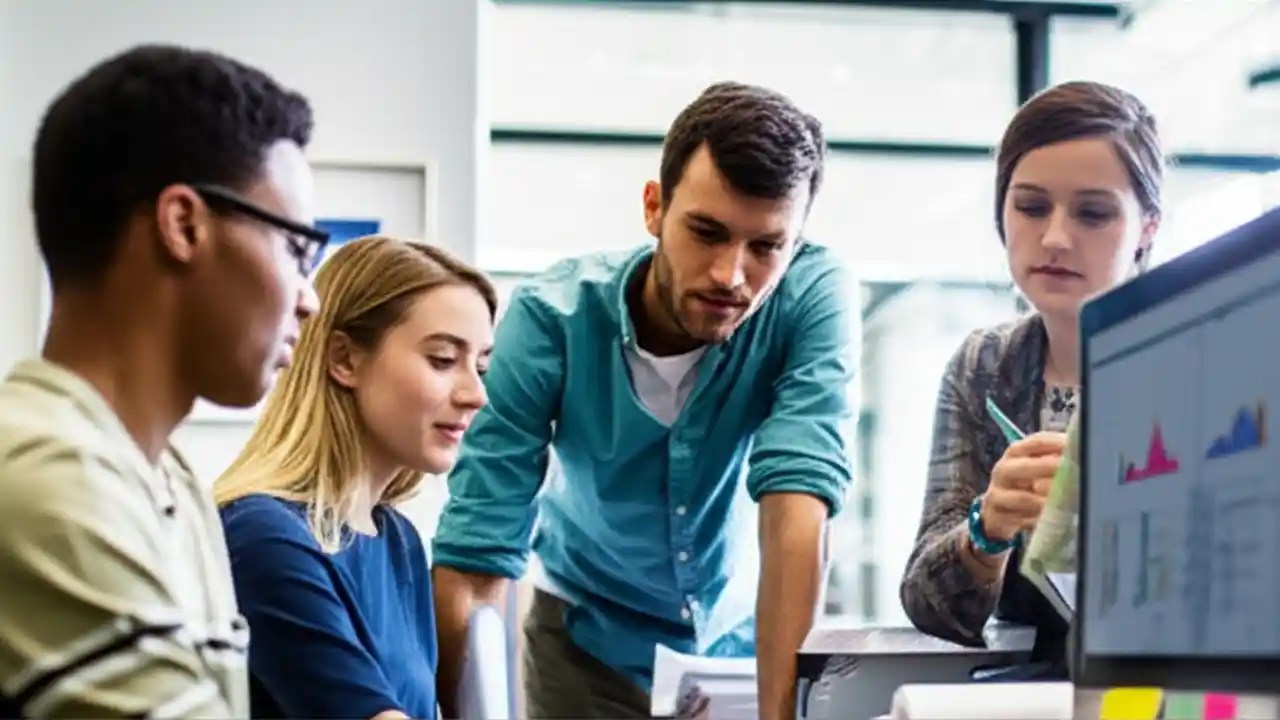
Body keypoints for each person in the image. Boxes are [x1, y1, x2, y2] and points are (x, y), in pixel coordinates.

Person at [433, 81, 860, 720]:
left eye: (766, 246)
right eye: (707, 232)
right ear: (654, 207)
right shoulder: (550, 317)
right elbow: (476, 551)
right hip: (585, 650)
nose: (731, 275)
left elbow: (798, 502)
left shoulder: (813, 294)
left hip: (742, 651)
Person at [0, 44, 321, 717]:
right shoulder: (50, 476)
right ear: (183, 224)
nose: (308, 298)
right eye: (295, 248)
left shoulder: (168, 478)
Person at [899, 80, 1164, 653]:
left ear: (1147, 228)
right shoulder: (983, 367)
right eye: (1030, 206)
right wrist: (985, 531)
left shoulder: (1203, 358)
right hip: (1032, 693)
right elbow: (929, 605)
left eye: (1093, 213)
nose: (1055, 237)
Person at [213, 236, 496, 720]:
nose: (476, 394)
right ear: (344, 359)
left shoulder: (398, 541)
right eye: (444, 360)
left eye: (482, 365)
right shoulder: (262, 536)